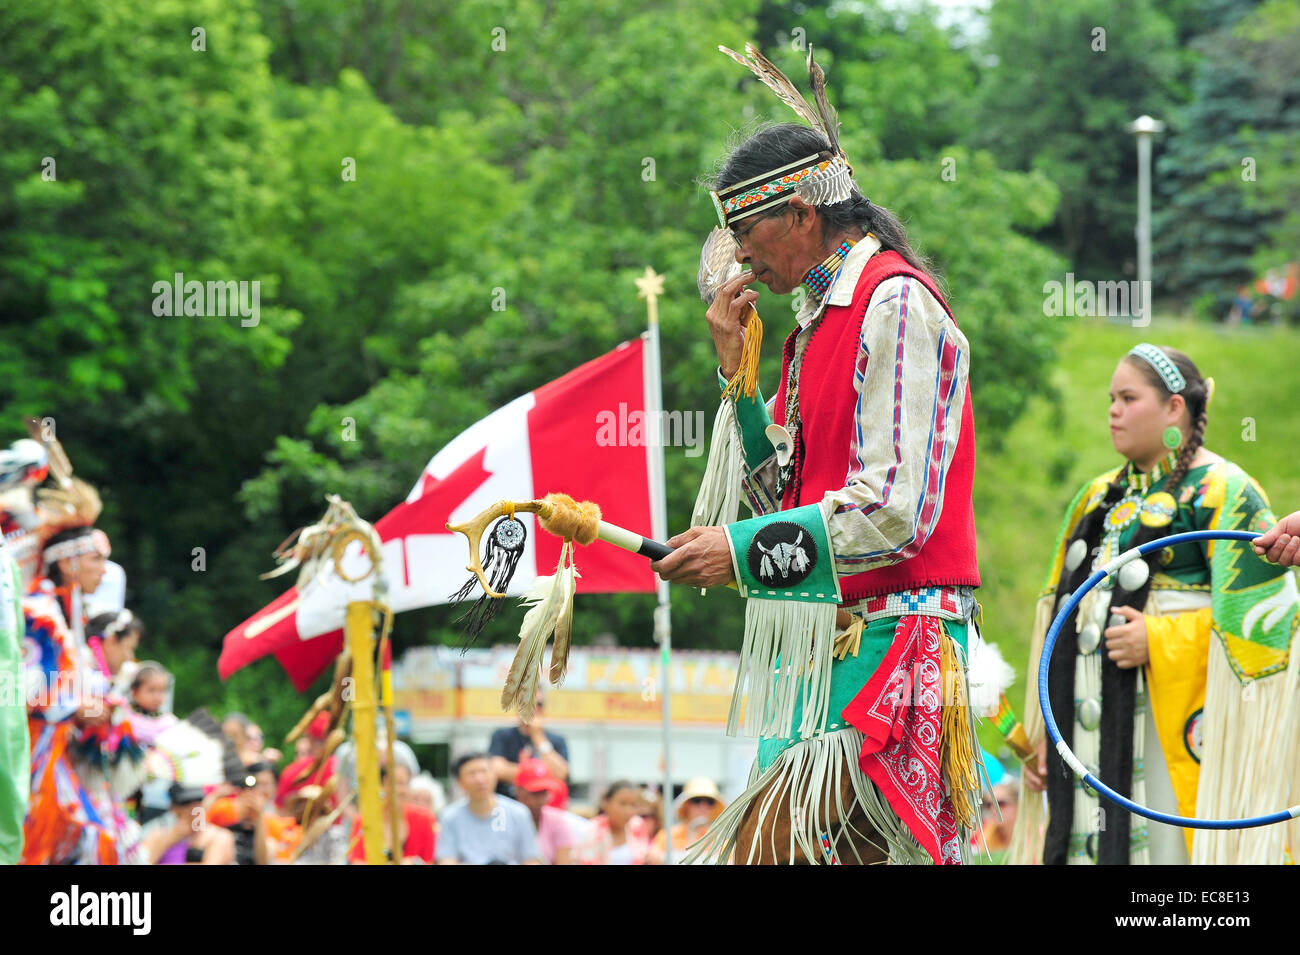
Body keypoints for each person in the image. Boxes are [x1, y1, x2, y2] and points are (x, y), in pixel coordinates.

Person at [650, 47, 983, 866]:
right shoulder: (809, 332)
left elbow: (893, 511)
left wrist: (736, 553)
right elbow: (781, 502)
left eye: (744, 231)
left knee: (759, 854)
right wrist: (739, 377)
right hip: (822, 651)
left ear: (801, 212)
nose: (736, 259)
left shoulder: (894, 302)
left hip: (894, 647)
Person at [1011, 344, 1300, 865]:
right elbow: (1050, 621)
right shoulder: (1095, 497)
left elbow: (1269, 633)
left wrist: (1163, 639)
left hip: (1173, 734)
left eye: (1128, 397)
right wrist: (1042, 735)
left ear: (1175, 410)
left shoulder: (1226, 492)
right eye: (1110, 399)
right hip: (1084, 730)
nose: (1113, 411)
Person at [436, 753, 540, 865]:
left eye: (484, 771)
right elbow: (446, 859)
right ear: (460, 782)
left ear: (495, 775)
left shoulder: (519, 813)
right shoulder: (450, 817)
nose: (479, 779)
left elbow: (531, 859)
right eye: (472, 774)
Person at [347, 762, 437, 864]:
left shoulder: (424, 819)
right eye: (393, 783)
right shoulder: (364, 820)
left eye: (403, 783)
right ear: (380, 786)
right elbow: (357, 861)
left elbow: (430, 860)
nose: (398, 790)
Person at [487, 691, 569, 797]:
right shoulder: (501, 735)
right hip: (509, 800)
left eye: (538, 704)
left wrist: (539, 738)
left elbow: (561, 774)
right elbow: (498, 770)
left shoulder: (557, 740)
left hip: (544, 804)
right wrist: (541, 774)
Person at [572, 780, 652, 865]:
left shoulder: (637, 826)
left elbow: (644, 856)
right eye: (622, 804)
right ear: (606, 803)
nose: (628, 811)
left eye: (633, 805)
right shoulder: (591, 831)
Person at [648, 777, 725, 865]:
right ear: (686, 805)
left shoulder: (722, 840)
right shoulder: (667, 836)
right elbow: (652, 857)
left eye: (710, 801)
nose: (703, 806)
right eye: (697, 800)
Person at [511, 757, 573, 864]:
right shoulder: (504, 819)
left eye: (544, 792)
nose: (540, 799)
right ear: (518, 791)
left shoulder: (557, 821)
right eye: (534, 793)